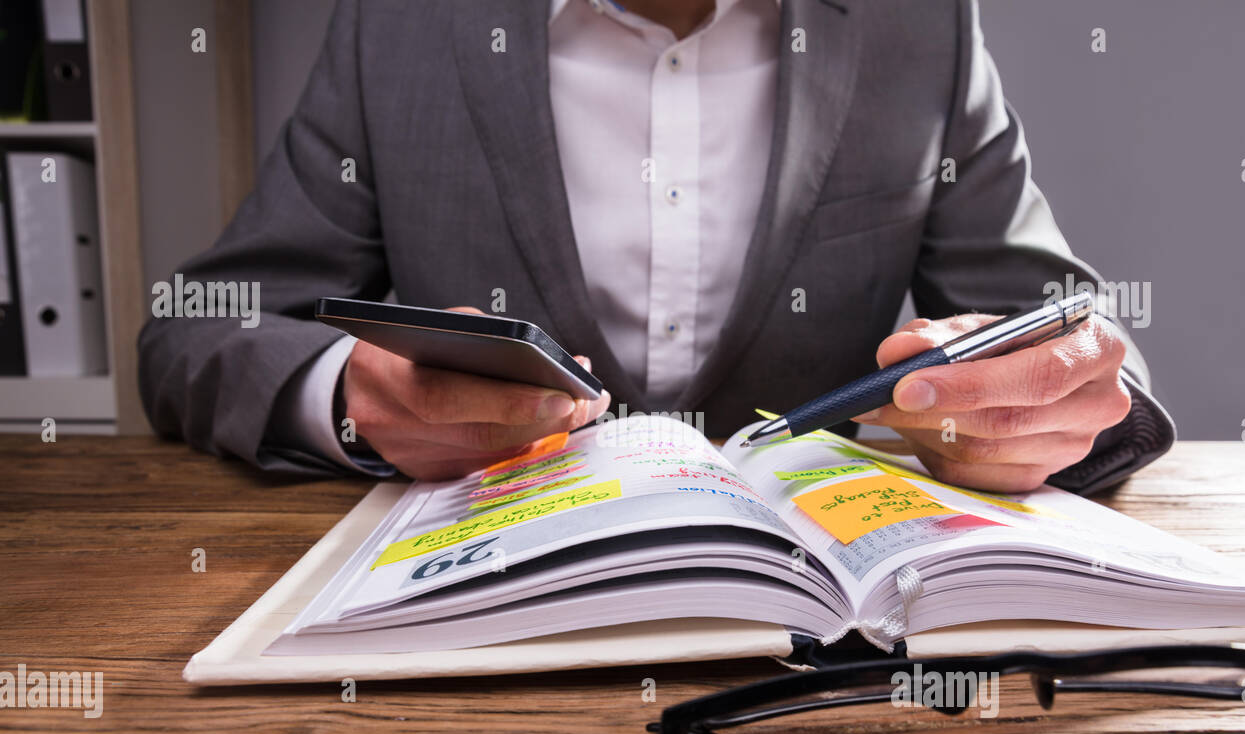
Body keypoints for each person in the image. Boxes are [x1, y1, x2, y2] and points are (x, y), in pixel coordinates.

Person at [138, 0, 1174, 494]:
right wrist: (352, 401)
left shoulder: (920, 27)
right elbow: (194, 330)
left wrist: (1049, 400)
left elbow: (1070, 335)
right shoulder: (398, 26)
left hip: (823, 647)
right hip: (482, 625)